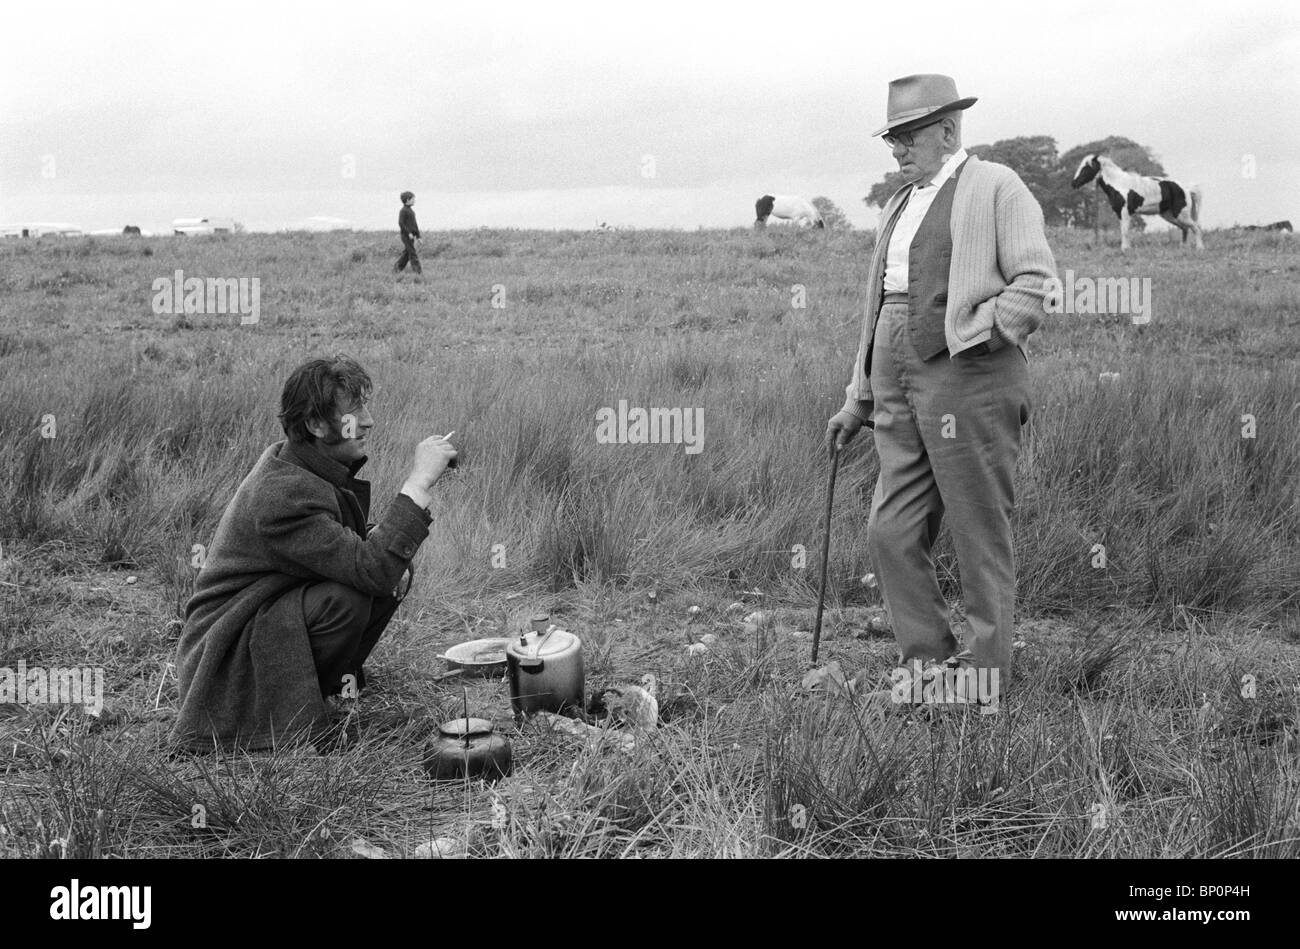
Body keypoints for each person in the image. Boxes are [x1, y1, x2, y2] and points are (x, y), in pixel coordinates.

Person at [825, 74, 1057, 701]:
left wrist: (974, 338)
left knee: (979, 530)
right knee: (891, 529)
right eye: (892, 138)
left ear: (948, 130)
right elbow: (877, 305)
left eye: (908, 136)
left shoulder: (996, 187)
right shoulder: (898, 205)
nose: (897, 149)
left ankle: (981, 681)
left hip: (970, 374)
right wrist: (857, 399)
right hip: (893, 368)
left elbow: (1034, 283)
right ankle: (928, 665)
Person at [171, 356, 457, 751]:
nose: (369, 420)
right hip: (225, 659)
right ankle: (281, 721)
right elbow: (370, 569)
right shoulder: (283, 492)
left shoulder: (302, 465)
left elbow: (368, 560)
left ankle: (320, 693)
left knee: (391, 568)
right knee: (353, 594)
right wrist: (419, 480)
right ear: (315, 425)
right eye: (354, 411)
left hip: (262, 619)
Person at [395, 190, 422, 274]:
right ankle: (418, 273)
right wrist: (408, 233)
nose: (414, 201)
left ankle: (396, 269)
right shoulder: (403, 211)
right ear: (407, 200)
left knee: (406, 254)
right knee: (413, 253)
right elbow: (401, 223)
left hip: (411, 236)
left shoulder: (411, 211)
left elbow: (415, 225)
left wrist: (418, 236)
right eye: (413, 199)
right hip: (406, 236)